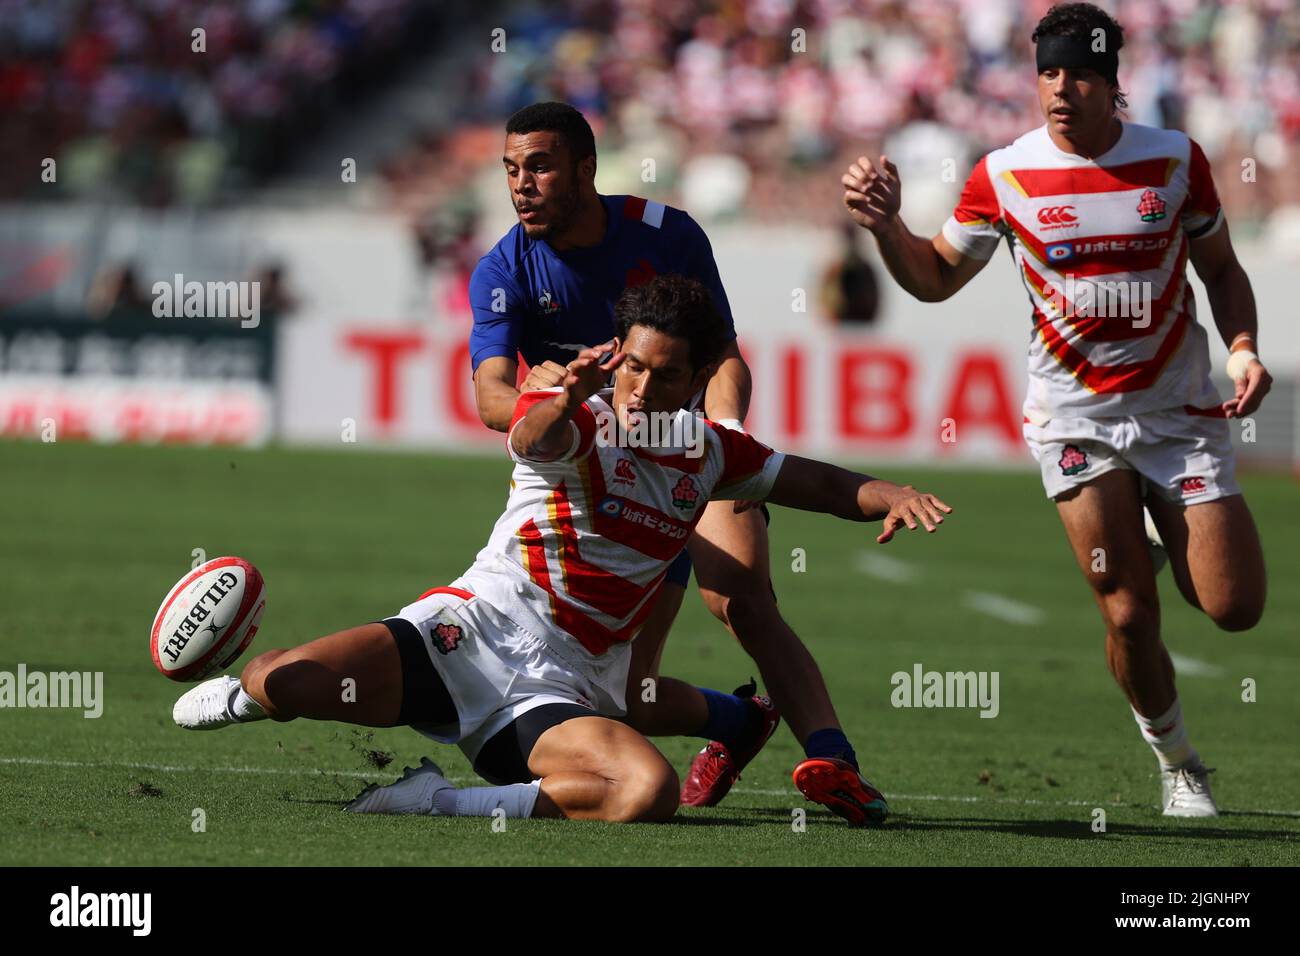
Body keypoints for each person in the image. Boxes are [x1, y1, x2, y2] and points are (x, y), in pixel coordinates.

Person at [172, 275, 952, 825]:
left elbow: (817, 483)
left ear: (701, 378)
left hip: (559, 688)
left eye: (665, 375)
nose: (642, 389)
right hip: (466, 635)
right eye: (634, 367)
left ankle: (434, 800)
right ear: (618, 354)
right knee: (283, 682)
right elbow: (527, 434)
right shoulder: (581, 417)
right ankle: (249, 697)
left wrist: (895, 495)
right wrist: (570, 395)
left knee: (644, 792)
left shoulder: (712, 453)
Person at [840, 2, 1270, 817]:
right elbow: (933, 278)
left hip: (1178, 412)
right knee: (1129, 611)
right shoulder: (1003, 172)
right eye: (1047, 72)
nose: (1059, 88)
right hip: (1074, 419)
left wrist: (1242, 344)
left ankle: (1156, 515)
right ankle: (1178, 761)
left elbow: (1221, 268)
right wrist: (886, 226)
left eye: (1078, 73)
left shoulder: (1177, 160)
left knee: (1234, 608)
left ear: (1114, 84)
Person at [469, 101, 881, 821]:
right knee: (627, 695)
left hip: (686, 453)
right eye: (511, 169)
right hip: (589, 481)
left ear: (585, 169)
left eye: (538, 165)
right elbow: (491, 395)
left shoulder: (667, 236)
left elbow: (723, 354)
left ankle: (833, 760)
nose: (521, 184)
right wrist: (555, 399)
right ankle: (738, 721)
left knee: (744, 600)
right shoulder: (503, 267)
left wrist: (720, 439)